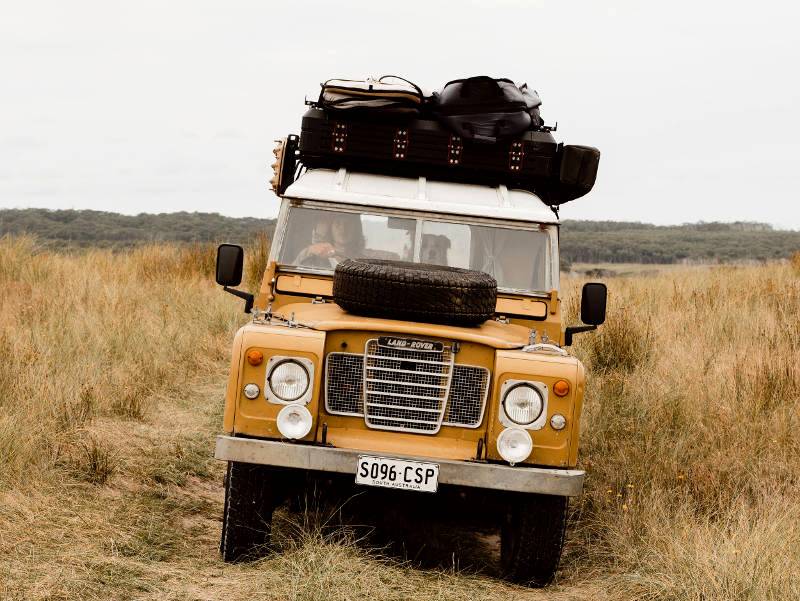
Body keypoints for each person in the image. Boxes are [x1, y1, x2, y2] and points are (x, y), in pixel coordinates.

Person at [293, 212, 365, 268]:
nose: (343, 228)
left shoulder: (364, 262)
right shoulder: (314, 257)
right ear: (330, 229)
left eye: (348, 224)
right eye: (338, 223)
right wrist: (309, 251)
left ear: (356, 229)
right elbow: (293, 272)